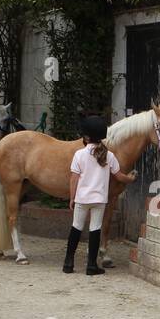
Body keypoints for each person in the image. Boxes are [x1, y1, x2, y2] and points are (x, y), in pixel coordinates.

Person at [64, 115, 136, 275]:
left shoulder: (79, 154)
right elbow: (119, 176)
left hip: (82, 198)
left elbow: (74, 178)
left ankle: (68, 263)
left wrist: (72, 197)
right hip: (99, 200)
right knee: (95, 230)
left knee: (76, 227)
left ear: (87, 137)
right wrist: (130, 179)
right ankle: (91, 265)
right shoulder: (109, 156)